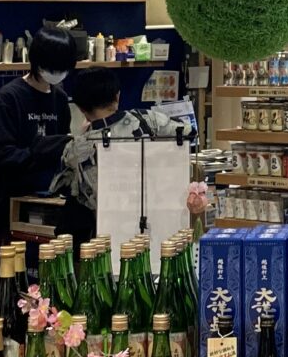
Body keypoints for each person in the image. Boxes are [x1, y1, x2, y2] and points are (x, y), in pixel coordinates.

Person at [51, 67, 190, 241]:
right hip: (160, 222)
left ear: (80, 107)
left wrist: (84, 135)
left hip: (106, 235)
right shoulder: (147, 120)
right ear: (117, 97)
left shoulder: (75, 149)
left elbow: (61, 187)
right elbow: (187, 131)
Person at [0, 27, 84, 240]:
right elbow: (2, 154)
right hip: (9, 206)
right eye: (54, 66)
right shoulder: (9, 98)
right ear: (36, 61)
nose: (59, 72)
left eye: (64, 67)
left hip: (47, 204)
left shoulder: (59, 99)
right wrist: (40, 151)